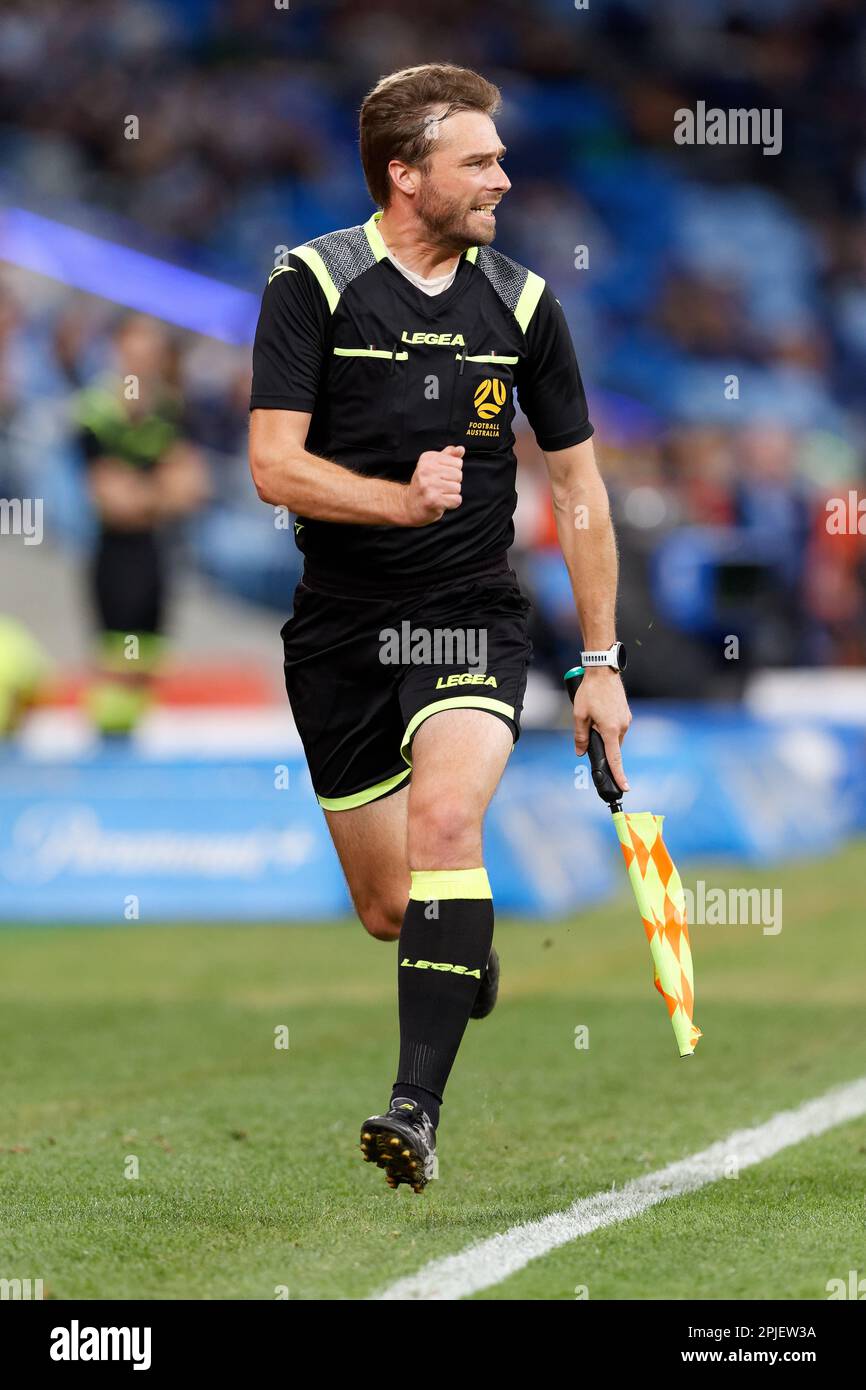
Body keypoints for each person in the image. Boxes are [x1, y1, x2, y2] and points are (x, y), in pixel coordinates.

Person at [248, 64, 631, 1192]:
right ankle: (454, 945)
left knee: (448, 821)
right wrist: (393, 500)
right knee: (388, 909)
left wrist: (601, 664)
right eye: (479, 160)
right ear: (405, 174)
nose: (503, 178)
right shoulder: (311, 284)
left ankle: (413, 1109)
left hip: (467, 615)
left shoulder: (520, 304)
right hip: (338, 632)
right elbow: (273, 466)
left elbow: (578, 492)